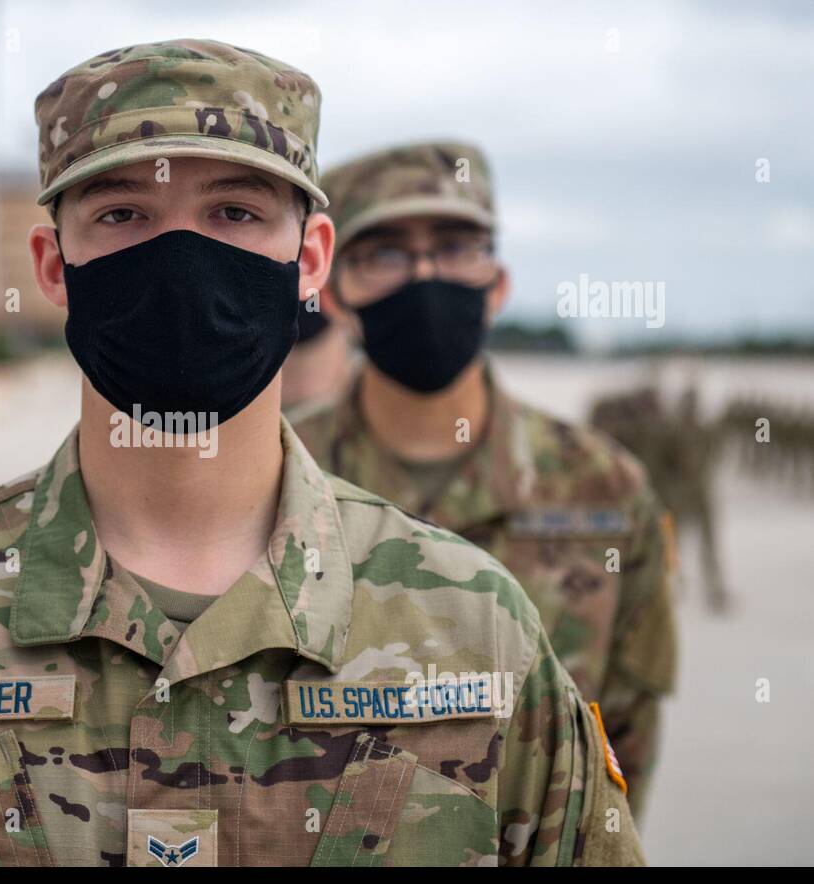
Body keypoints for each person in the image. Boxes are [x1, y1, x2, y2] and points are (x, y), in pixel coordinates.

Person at [0, 44, 642, 867]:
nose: (181, 261)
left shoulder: (476, 634)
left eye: (236, 212)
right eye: (123, 214)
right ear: (52, 266)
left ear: (311, 259)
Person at [291, 141, 678, 819]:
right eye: (384, 253)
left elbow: (623, 745)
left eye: (454, 246)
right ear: (334, 295)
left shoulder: (606, 490)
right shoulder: (275, 477)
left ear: (497, 284)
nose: (424, 275)